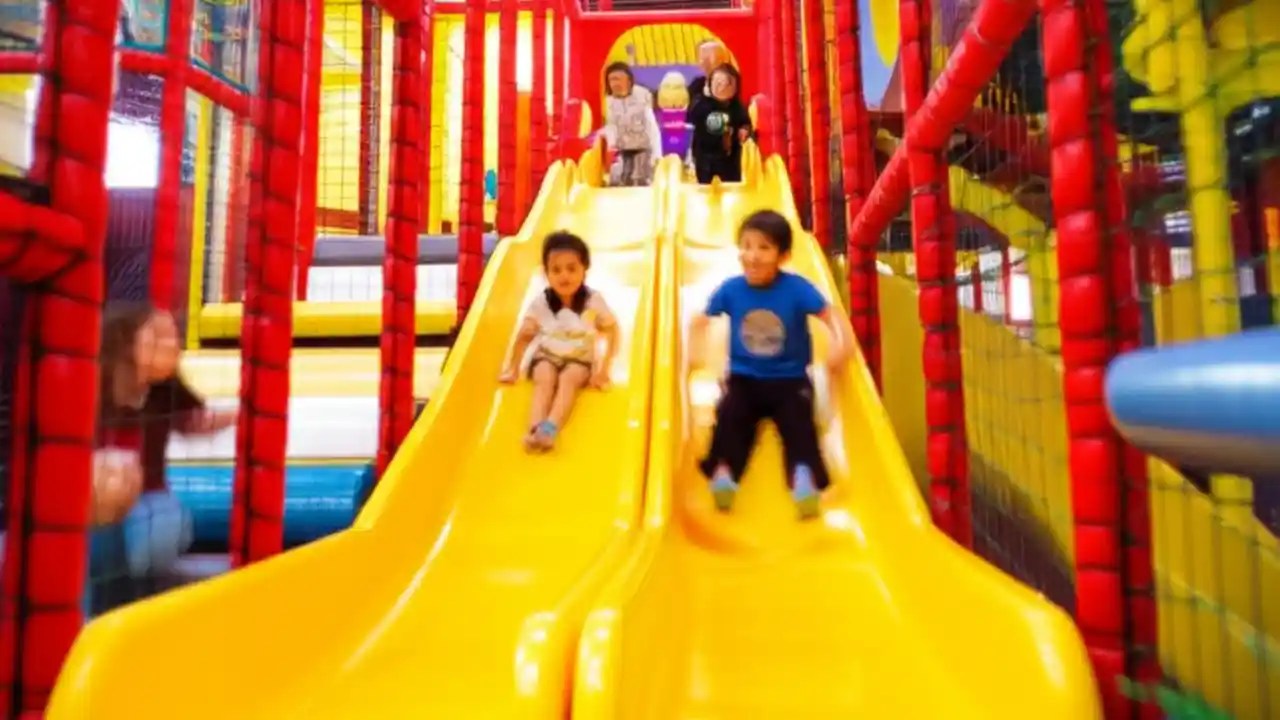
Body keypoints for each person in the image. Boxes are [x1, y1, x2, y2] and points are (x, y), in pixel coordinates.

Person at [689, 210, 853, 519]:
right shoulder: (731, 288)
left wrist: (841, 345)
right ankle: (724, 473)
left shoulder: (797, 288)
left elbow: (831, 315)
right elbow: (700, 319)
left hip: (790, 381)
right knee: (730, 417)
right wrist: (693, 352)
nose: (752, 255)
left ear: (784, 255)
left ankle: (804, 477)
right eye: (746, 245)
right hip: (744, 378)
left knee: (800, 425)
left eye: (763, 247)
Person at [93, 303, 236, 587]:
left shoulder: (164, 392)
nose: (174, 345)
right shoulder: (99, 389)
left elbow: (196, 422)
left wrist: (240, 413)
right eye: (159, 337)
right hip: (103, 509)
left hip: (149, 506)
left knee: (157, 523)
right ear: (125, 343)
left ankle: (135, 585)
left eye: (174, 336)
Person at [499, 231, 620, 452]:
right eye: (556, 270)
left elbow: (613, 331)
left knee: (569, 380)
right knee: (544, 377)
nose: (564, 276)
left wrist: (603, 370)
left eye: (572, 269)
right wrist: (513, 368)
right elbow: (524, 336)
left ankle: (550, 429)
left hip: (579, 359)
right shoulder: (542, 303)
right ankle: (535, 428)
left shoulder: (593, 301)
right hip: (546, 355)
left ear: (585, 270)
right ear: (546, 273)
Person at [687, 64, 753, 184]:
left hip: (728, 156)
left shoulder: (735, 106)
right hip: (704, 154)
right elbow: (691, 117)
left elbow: (745, 121)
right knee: (705, 181)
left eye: (727, 84)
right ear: (709, 84)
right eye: (717, 84)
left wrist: (744, 130)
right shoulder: (702, 103)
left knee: (730, 181)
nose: (721, 88)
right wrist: (703, 98)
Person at [601, 62, 663, 187]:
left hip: (642, 150)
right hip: (619, 151)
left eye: (618, 79)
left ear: (629, 81)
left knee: (640, 182)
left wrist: (657, 154)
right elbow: (608, 129)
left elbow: (652, 127)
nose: (615, 84)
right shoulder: (607, 103)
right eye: (611, 80)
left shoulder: (643, 96)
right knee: (617, 182)